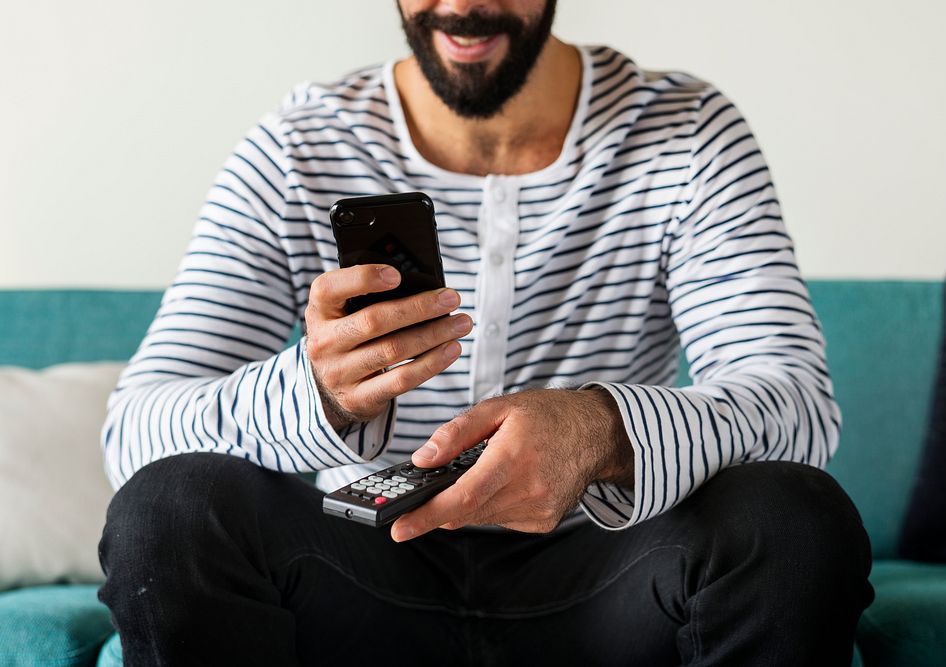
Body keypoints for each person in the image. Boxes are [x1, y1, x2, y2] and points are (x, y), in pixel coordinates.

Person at [97, 1, 874, 664]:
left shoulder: (689, 134)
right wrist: (317, 397)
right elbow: (134, 434)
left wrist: (604, 432)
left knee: (792, 516)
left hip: (612, 582)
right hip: (354, 577)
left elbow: (796, 407)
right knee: (170, 508)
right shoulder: (295, 150)